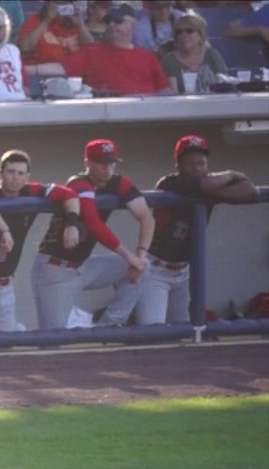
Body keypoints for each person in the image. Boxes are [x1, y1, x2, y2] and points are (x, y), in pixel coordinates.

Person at [30, 138, 151, 330]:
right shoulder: (78, 183)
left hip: (84, 266)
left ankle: (109, 324)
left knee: (145, 265)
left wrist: (139, 256)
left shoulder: (117, 182)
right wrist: (129, 256)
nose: (107, 168)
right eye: (101, 163)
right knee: (53, 341)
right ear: (87, 163)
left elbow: (146, 216)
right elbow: (93, 224)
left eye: (111, 162)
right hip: (55, 270)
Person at [138, 135, 257, 325]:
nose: (197, 168)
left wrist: (219, 186)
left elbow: (251, 192)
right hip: (156, 270)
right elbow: (205, 185)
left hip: (184, 271)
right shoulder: (169, 183)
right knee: (153, 332)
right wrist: (232, 175)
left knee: (184, 331)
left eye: (201, 163)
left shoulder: (211, 183)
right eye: (190, 163)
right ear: (178, 165)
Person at [0, 150, 82, 332]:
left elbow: (70, 195)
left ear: (27, 177)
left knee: (4, 347)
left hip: (6, 284)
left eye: (20, 173)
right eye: (10, 172)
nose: (15, 178)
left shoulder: (30, 192)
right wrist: (4, 229)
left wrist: (72, 224)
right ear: (0, 174)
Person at [58, 4, 171, 96]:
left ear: (133, 24)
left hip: (145, 115)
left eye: (118, 20)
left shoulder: (147, 56)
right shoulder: (90, 51)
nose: (112, 24)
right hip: (106, 116)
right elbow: (61, 71)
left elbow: (164, 90)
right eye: (108, 21)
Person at [159, 13, 228, 94]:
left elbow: (225, 85)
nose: (184, 34)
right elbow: (173, 94)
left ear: (201, 36)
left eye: (189, 31)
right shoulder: (169, 60)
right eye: (179, 32)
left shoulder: (212, 55)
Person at [17, 0, 94, 70]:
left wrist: (80, 25)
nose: (61, 6)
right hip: (41, 73)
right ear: (48, 4)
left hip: (72, 76)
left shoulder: (75, 24)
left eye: (65, 2)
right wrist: (47, 20)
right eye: (57, 2)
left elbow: (92, 51)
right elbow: (25, 48)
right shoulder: (34, 21)